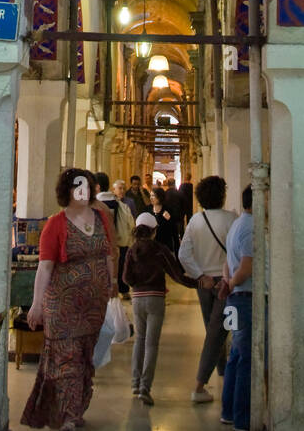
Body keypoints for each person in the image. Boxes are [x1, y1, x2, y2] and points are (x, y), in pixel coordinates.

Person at [21, 168, 115, 431]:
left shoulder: (101, 219)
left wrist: (111, 285)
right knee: (67, 358)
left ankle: (75, 408)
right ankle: (68, 420)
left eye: (87, 187)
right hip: (63, 305)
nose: (84, 192)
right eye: (78, 187)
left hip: (93, 306)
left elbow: (108, 254)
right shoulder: (55, 224)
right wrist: (36, 304)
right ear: (67, 192)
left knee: (85, 356)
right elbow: (45, 267)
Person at [122, 212, 197, 404]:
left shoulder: (132, 250)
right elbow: (177, 274)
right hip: (155, 298)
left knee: (140, 339)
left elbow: (125, 278)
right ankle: (145, 388)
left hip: (137, 300)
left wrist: (137, 284)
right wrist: (197, 284)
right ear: (154, 231)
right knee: (152, 344)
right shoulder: (160, 250)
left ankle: (135, 383)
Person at [179, 175, 236, 403]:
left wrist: (200, 275)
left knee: (213, 330)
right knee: (216, 332)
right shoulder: (232, 219)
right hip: (225, 283)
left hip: (204, 285)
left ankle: (221, 370)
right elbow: (237, 253)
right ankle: (199, 386)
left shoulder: (195, 221)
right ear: (222, 196)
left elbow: (184, 254)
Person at [220, 185, 255, 431]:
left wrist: (227, 283)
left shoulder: (237, 224)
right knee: (246, 358)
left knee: (235, 355)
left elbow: (227, 263)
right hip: (245, 298)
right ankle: (242, 418)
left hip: (235, 299)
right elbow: (245, 269)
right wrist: (232, 283)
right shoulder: (251, 227)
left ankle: (229, 411)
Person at [95, 172, 133, 300]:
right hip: (119, 245)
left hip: (99, 247)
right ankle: (122, 289)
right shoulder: (123, 206)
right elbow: (131, 225)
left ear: (97, 186)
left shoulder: (92, 206)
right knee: (119, 269)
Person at [151, 185, 178, 254]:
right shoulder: (148, 210)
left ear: (160, 197)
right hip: (152, 245)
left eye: (153, 196)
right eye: (150, 195)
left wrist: (169, 219)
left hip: (165, 245)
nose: (151, 198)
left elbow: (174, 229)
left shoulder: (168, 210)